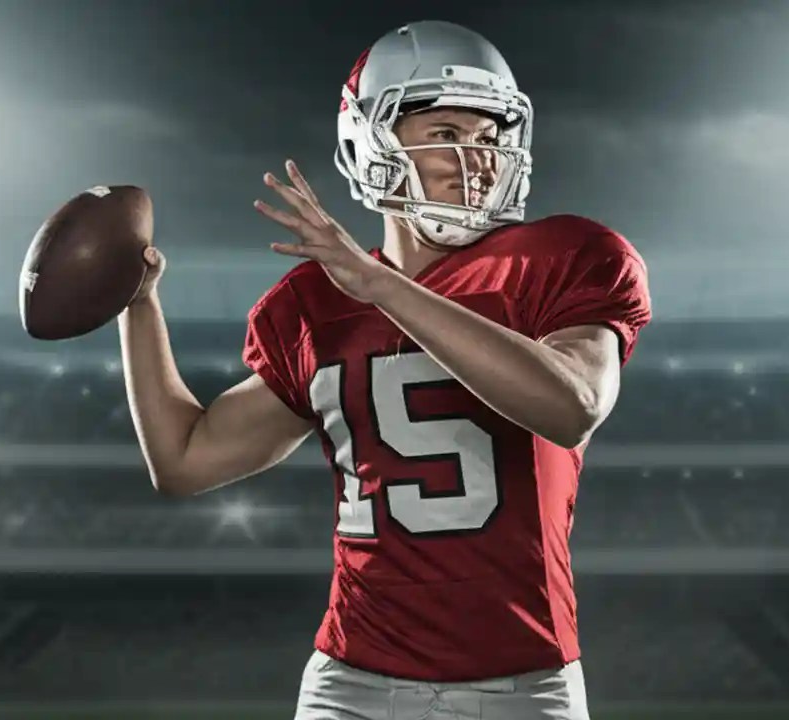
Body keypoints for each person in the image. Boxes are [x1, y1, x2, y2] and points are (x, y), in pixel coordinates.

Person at [119, 19, 651, 720]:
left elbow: (573, 403)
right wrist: (137, 305)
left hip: (525, 684)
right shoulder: (315, 303)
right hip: (354, 683)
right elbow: (184, 460)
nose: (481, 159)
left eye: (490, 137)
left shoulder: (562, 258)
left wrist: (383, 288)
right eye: (447, 135)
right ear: (372, 144)